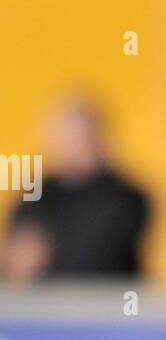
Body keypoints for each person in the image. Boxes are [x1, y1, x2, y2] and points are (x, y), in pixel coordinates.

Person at [2, 95, 151, 280]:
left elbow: (98, 256)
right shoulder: (37, 192)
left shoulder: (124, 198)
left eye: (72, 132)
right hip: (43, 304)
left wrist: (43, 255)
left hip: (104, 303)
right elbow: (14, 253)